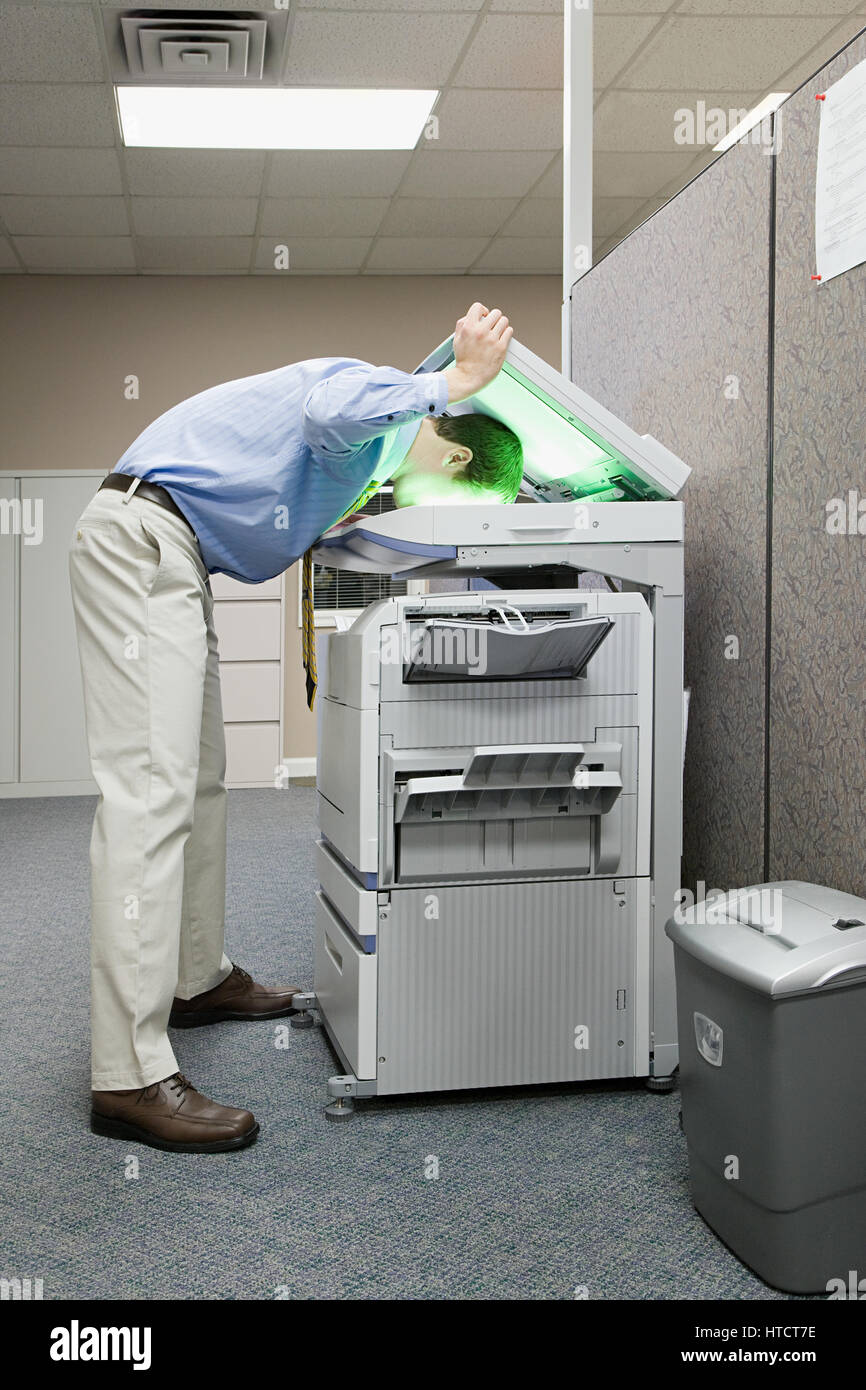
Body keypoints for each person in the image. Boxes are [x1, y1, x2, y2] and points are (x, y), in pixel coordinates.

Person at [68, 302, 522, 1154]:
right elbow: (325, 410)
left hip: (175, 556)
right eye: (462, 503)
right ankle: (126, 1074)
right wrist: (453, 380)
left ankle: (195, 979)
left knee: (198, 783)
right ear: (455, 452)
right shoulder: (380, 403)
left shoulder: (374, 452)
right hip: (142, 543)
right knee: (150, 798)